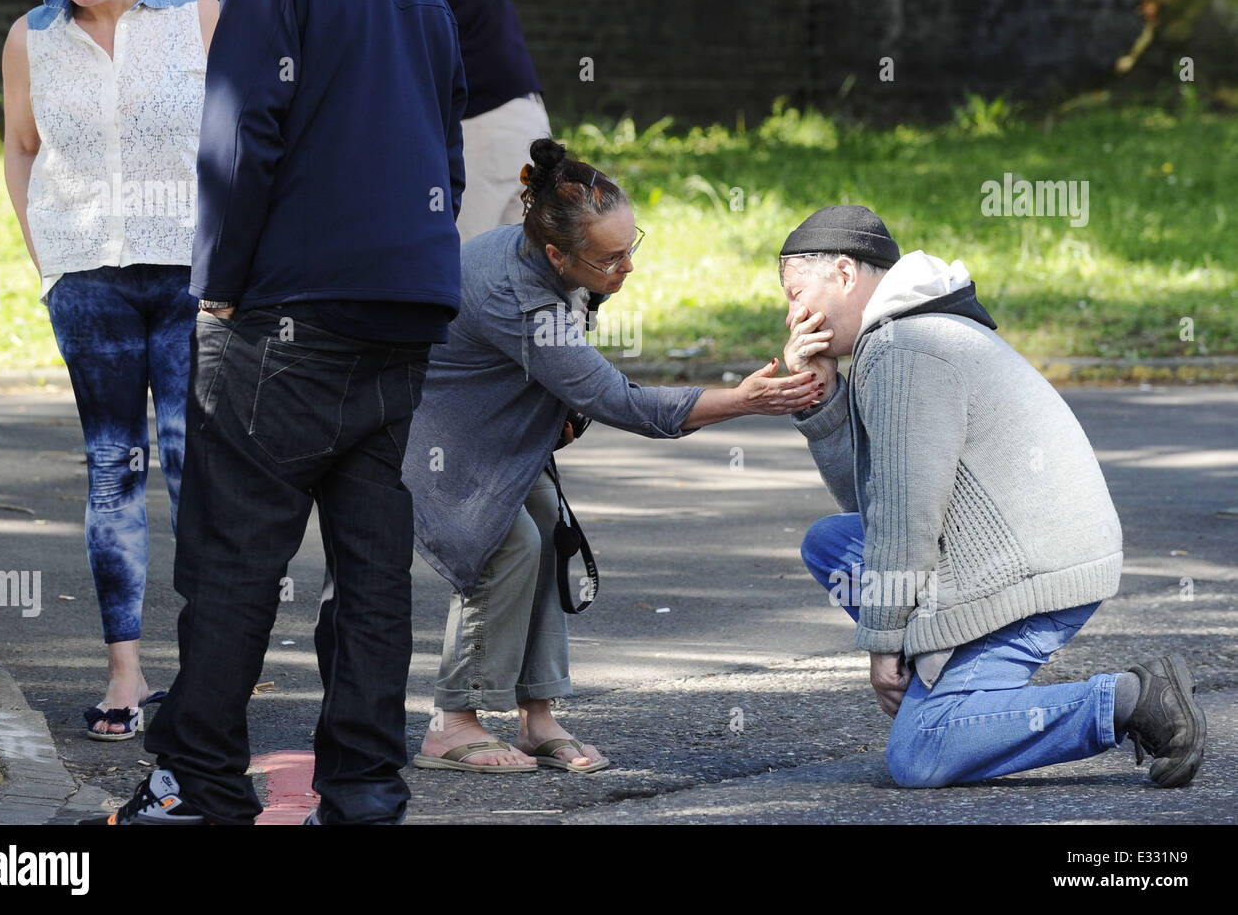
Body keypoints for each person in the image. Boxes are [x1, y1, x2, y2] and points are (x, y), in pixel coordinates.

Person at [92, 0, 466, 825]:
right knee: (372, 569)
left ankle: (197, 780)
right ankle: (365, 789)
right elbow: (449, 146)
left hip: (291, 309)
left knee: (232, 557)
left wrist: (216, 284)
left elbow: (239, 134)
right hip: (402, 304)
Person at [403, 138, 826, 773]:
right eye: (611, 257)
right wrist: (740, 400)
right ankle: (453, 722)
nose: (627, 266)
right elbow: (618, 401)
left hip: (493, 431)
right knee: (507, 541)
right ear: (557, 253)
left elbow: (572, 387)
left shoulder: (553, 265)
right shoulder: (523, 299)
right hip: (435, 439)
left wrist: (560, 412)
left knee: (545, 525)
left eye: (633, 245)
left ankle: (536, 714)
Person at [781, 204, 1206, 788]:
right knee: (831, 542)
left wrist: (882, 645)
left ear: (846, 276)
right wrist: (824, 400)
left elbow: (905, 524)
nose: (793, 315)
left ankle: (1128, 700)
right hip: (1019, 554)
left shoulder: (902, 347)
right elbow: (871, 507)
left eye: (797, 292)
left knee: (920, 756)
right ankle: (954, 700)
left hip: (1029, 576)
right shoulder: (912, 329)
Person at [2, 0, 219, 740]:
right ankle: (123, 672)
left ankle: (208, 671)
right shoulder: (31, 37)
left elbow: (240, 137)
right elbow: (21, 150)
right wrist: (48, 256)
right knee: (112, 469)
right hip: (87, 277)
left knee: (194, 465)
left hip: (190, 273)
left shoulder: (198, 17)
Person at [357, 0, 550, 242]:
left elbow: (402, 62)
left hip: (484, 131)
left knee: (467, 270)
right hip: (515, 121)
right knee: (518, 275)